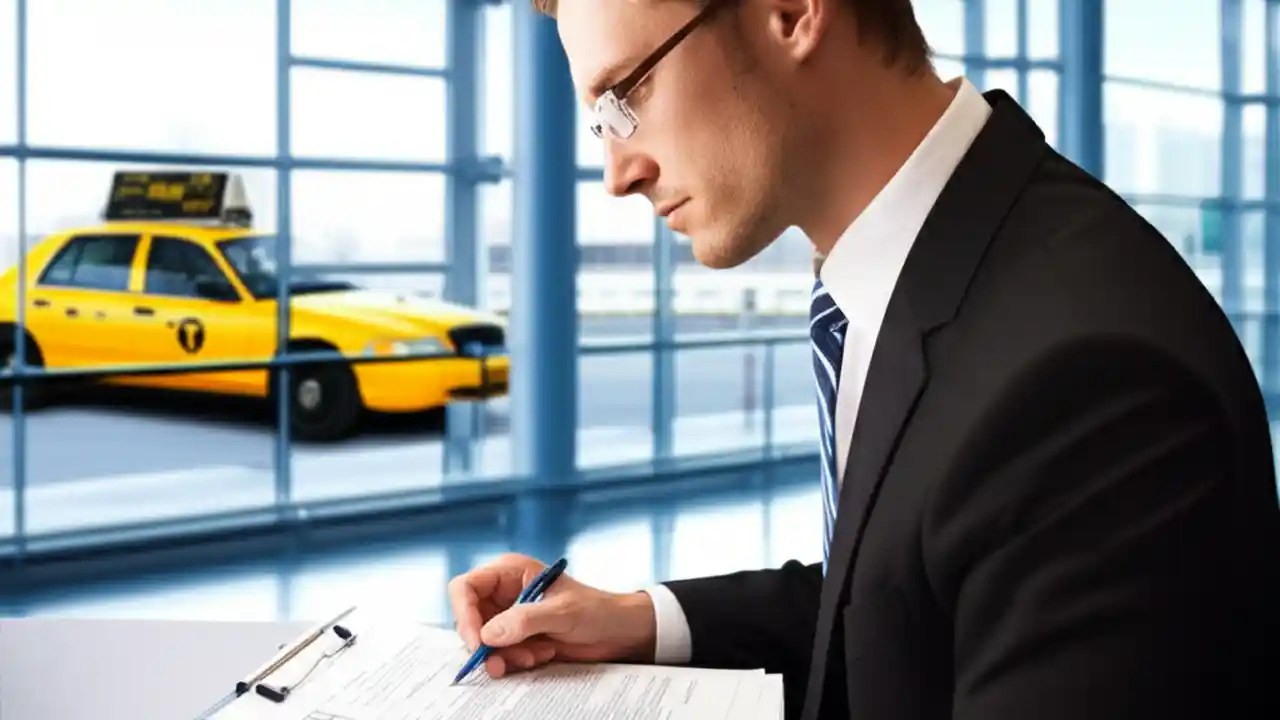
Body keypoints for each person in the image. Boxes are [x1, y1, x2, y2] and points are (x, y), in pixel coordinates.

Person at [449, 1, 1280, 718]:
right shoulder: (935, 269)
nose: (617, 173)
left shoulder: (1089, 384)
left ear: (794, 13)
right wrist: (637, 619)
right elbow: (897, 598)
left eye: (627, 95)